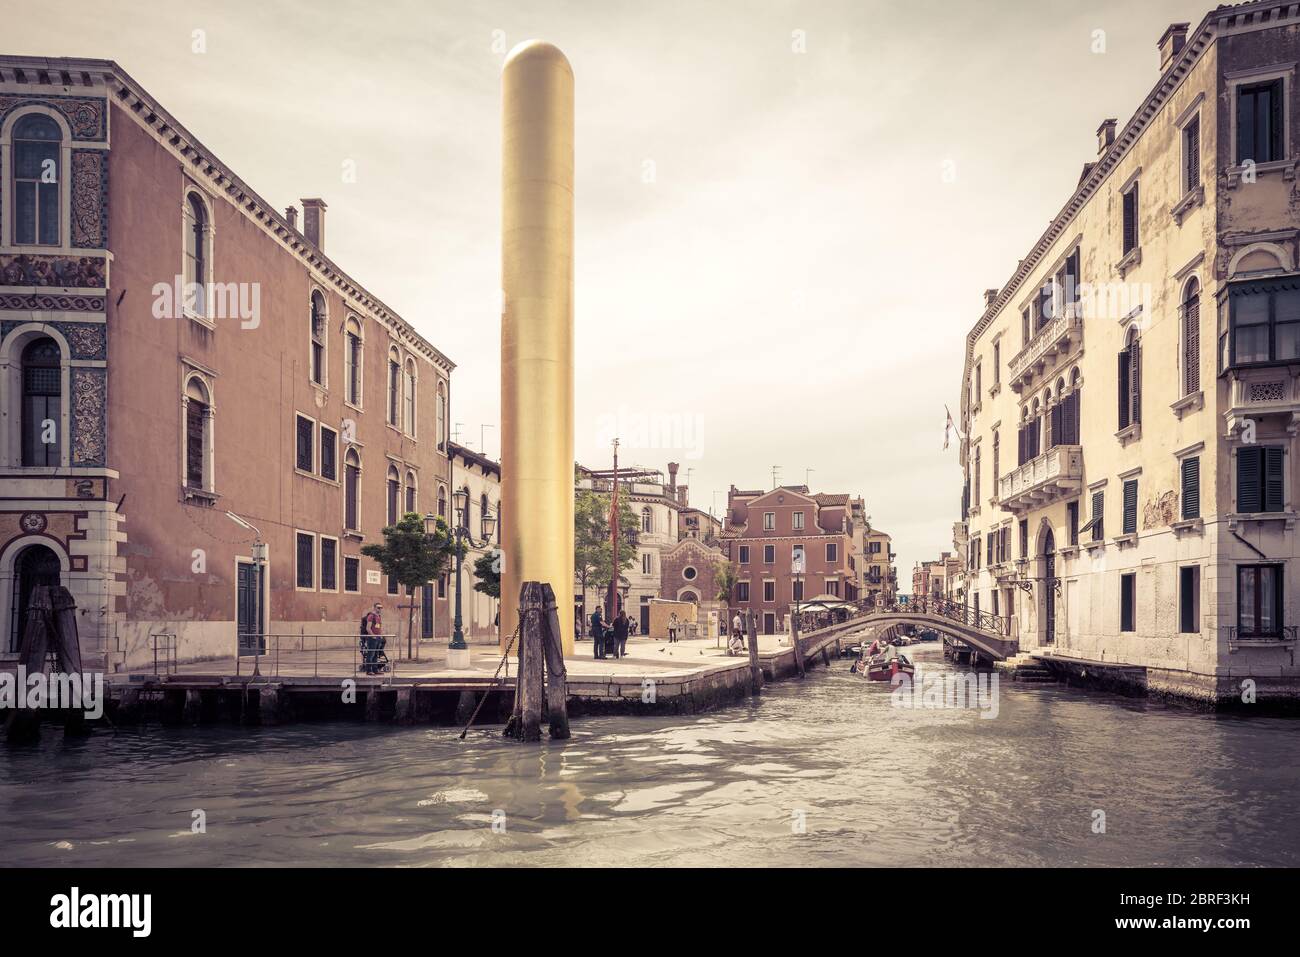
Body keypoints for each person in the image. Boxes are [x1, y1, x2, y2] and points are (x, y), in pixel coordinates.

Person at [360, 602, 384, 674]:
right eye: (378, 607)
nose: (379, 609)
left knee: (376, 655)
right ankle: (369, 670)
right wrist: (373, 636)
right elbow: (368, 628)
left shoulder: (379, 616)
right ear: (374, 608)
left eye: (381, 608)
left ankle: (375, 670)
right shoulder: (371, 616)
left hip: (378, 638)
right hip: (372, 638)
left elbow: (379, 627)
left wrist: (381, 635)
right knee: (371, 654)